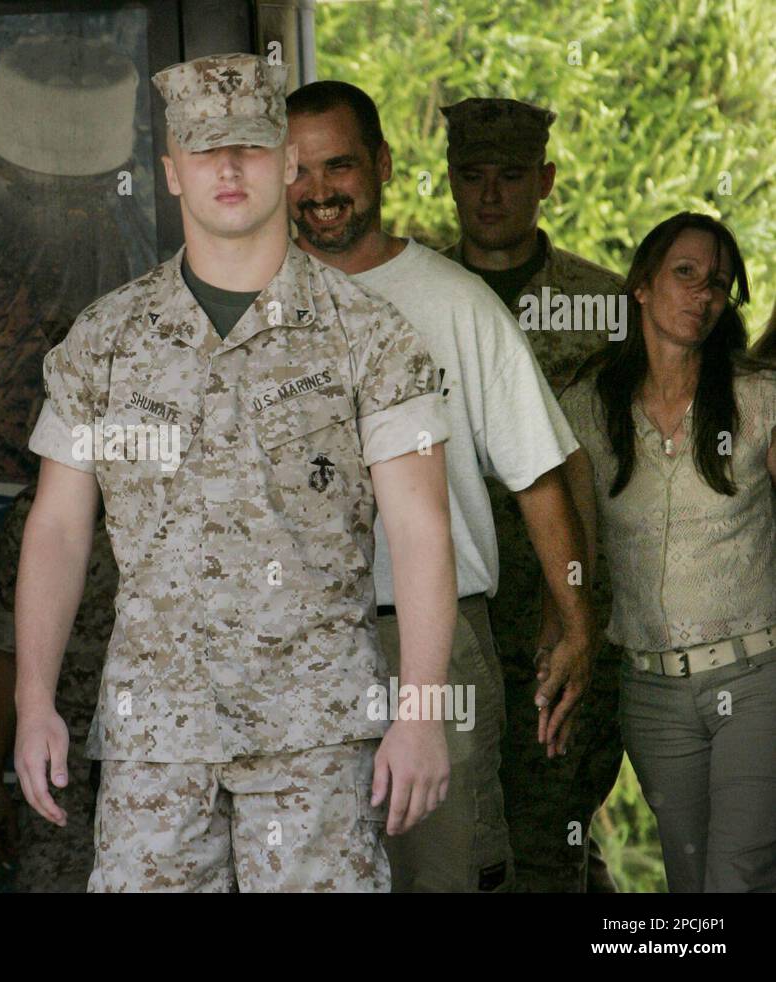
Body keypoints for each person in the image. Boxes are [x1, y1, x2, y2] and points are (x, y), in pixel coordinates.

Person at [14, 52, 458, 893]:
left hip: (315, 741)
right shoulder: (104, 341)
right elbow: (58, 529)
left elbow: (421, 530)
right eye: (204, 149)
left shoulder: (371, 336)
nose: (228, 167)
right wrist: (35, 702)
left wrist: (423, 713)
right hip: (157, 742)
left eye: (251, 148)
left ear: (286, 163)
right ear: (171, 169)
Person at [286, 81, 595, 892]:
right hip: (284, 643)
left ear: (384, 165)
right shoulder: (248, 303)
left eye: (341, 165)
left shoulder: (457, 306)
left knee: (449, 872)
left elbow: (541, 479)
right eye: (298, 169)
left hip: (433, 642)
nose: (319, 191)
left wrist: (574, 622)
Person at [558, 211, 776, 892]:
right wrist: (564, 641)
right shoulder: (590, 406)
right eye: (685, 274)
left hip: (755, 675)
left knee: (733, 878)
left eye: (717, 284)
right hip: (649, 689)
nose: (702, 294)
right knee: (688, 877)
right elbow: (578, 549)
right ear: (643, 285)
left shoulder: (759, 398)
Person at [440, 96, 626, 892]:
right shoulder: (420, 296)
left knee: (555, 838)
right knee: (460, 840)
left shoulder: (608, 309)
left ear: (545, 180)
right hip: (458, 614)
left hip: (571, 608)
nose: (490, 195)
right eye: (471, 176)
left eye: (511, 176)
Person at [0, 482, 117, 891]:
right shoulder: (36, 514)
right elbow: (9, 656)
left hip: (150, 746)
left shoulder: (169, 502)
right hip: (61, 753)